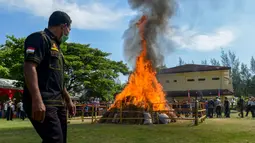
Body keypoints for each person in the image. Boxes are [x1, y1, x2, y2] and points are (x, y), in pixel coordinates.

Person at [23, 11, 76, 143]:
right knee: (55, 139)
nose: (69, 32)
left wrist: (68, 100)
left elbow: (57, 78)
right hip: (44, 101)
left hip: (58, 102)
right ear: (64, 26)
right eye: (69, 28)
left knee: (60, 140)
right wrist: (37, 99)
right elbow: (29, 67)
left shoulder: (57, 47)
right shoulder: (39, 38)